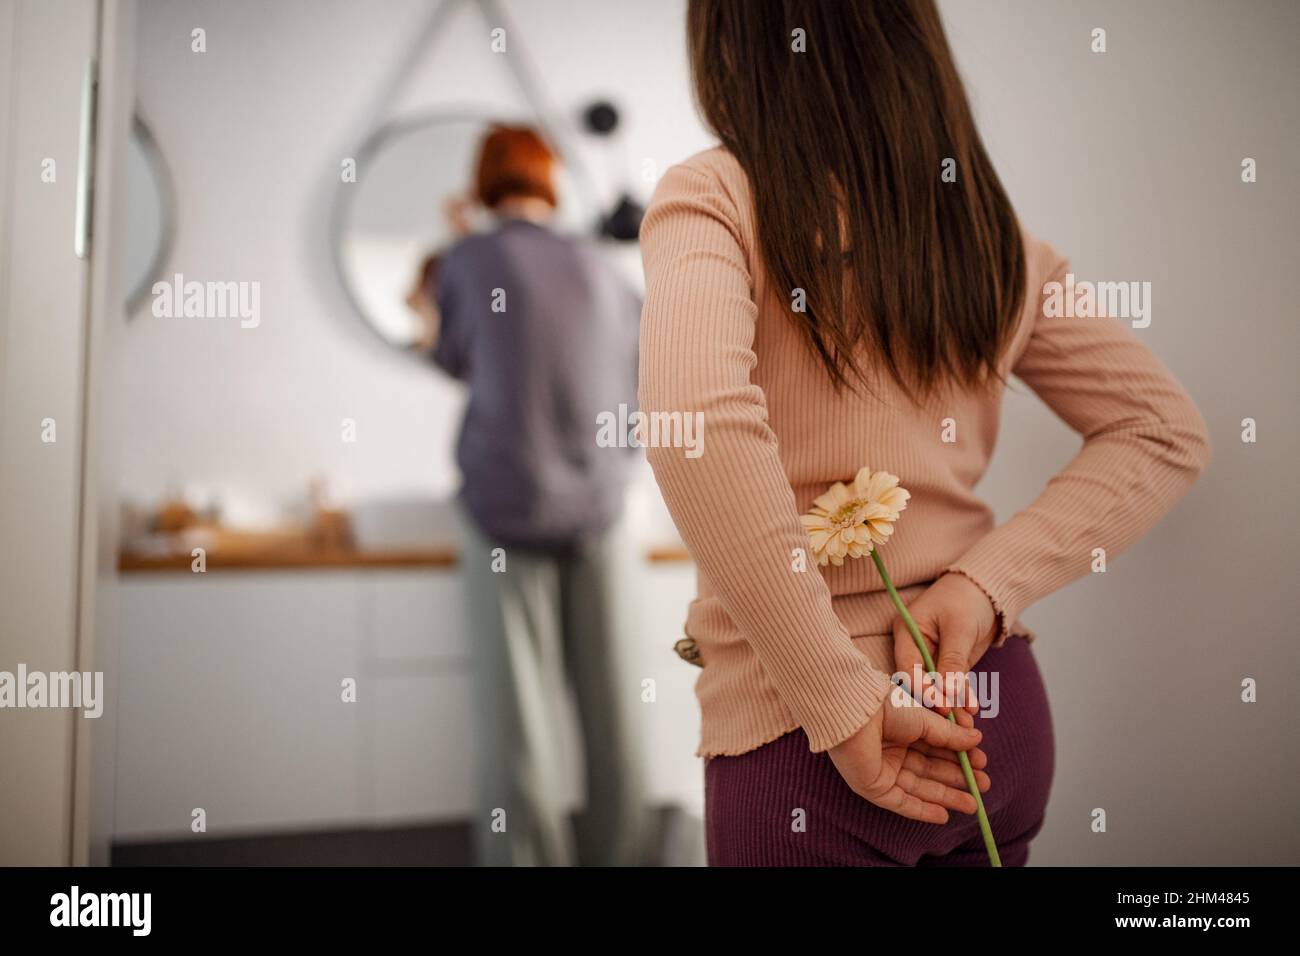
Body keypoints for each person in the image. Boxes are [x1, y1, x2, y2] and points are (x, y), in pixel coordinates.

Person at [638, 0, 1210, 866]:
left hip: (814, 739)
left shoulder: (714, 193)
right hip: (995, 712)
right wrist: (986, 584)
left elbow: (698, 429)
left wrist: (838, 696)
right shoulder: (989, 238)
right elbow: (1162, 431)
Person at [411, 124, 647, 866]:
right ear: (551, 182)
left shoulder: (465, 260)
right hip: (604, 505)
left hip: (504, 503)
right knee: (616, 717)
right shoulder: (608, 269)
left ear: (483, 184)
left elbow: (452, 353)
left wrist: (457, 249)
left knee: (519, 726)